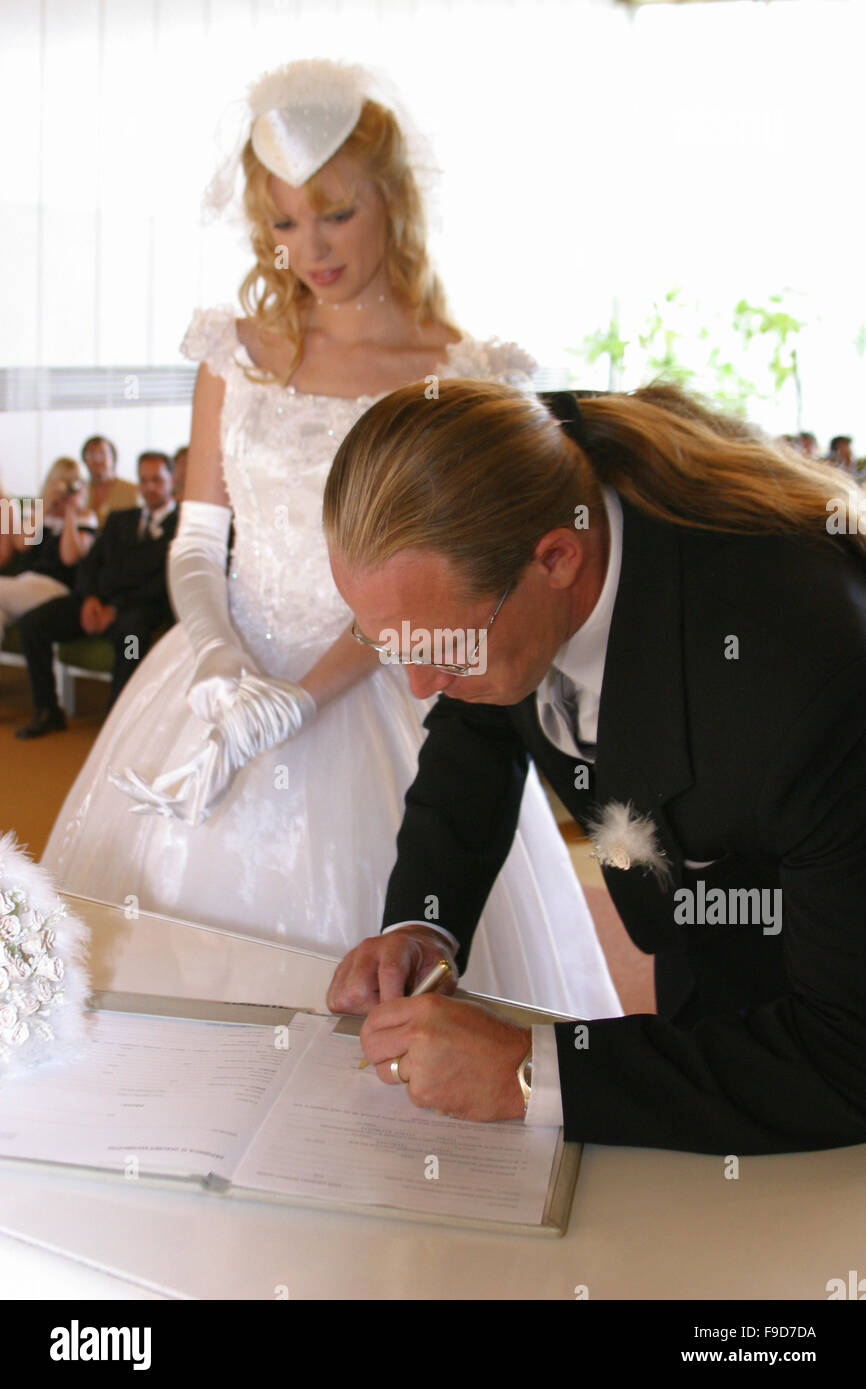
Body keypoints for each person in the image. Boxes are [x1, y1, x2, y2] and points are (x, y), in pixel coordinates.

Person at [41, 60, 619, 1019]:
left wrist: (299, 701)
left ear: (391, 200)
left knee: (403, 946)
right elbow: (197, 537)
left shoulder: (462, 371)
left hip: (395, 691)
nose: (310, 246)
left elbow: (453, 580)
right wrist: (223, 663)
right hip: (224, 673)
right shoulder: (237, 352)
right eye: (282, 221)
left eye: (336, 213)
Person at [323, 378, 866, 1155]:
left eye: (442, 649)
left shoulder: (801, 675)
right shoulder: (507, 486)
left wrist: (534, 1074)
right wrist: (423, 922)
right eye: (389, 643)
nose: (419, 685)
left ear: (558, 559)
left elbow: (846, 1058)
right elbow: (479, 730)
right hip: (699, 938)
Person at [15, 452, 177, 736]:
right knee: (32, 624)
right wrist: (90, 598)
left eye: (157, 480)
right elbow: (90, 564)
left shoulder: (182, 526)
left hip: (136, 609)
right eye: (144, 480)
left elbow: (162, 581)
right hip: (94, 601)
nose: (149, 486)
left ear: (171, 481)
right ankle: (47, 709)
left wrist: (114, 608)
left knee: (132, 640)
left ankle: (117, 717)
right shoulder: (120, 519)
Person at [0, 458, 98, 645]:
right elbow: (22, 544)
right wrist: (45, 506)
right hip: (24, 584)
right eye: (60, 482)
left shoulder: (85, 517)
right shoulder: (40, 513)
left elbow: (69, 558)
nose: (64, 490)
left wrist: (70, 512)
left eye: (71, 484)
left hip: (55, 589)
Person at [82, 437, 138, 527]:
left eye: (102, 454)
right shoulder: (79, 490)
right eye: (91, 454)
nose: (97, 460)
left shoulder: (131, 490)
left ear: (113, 457)